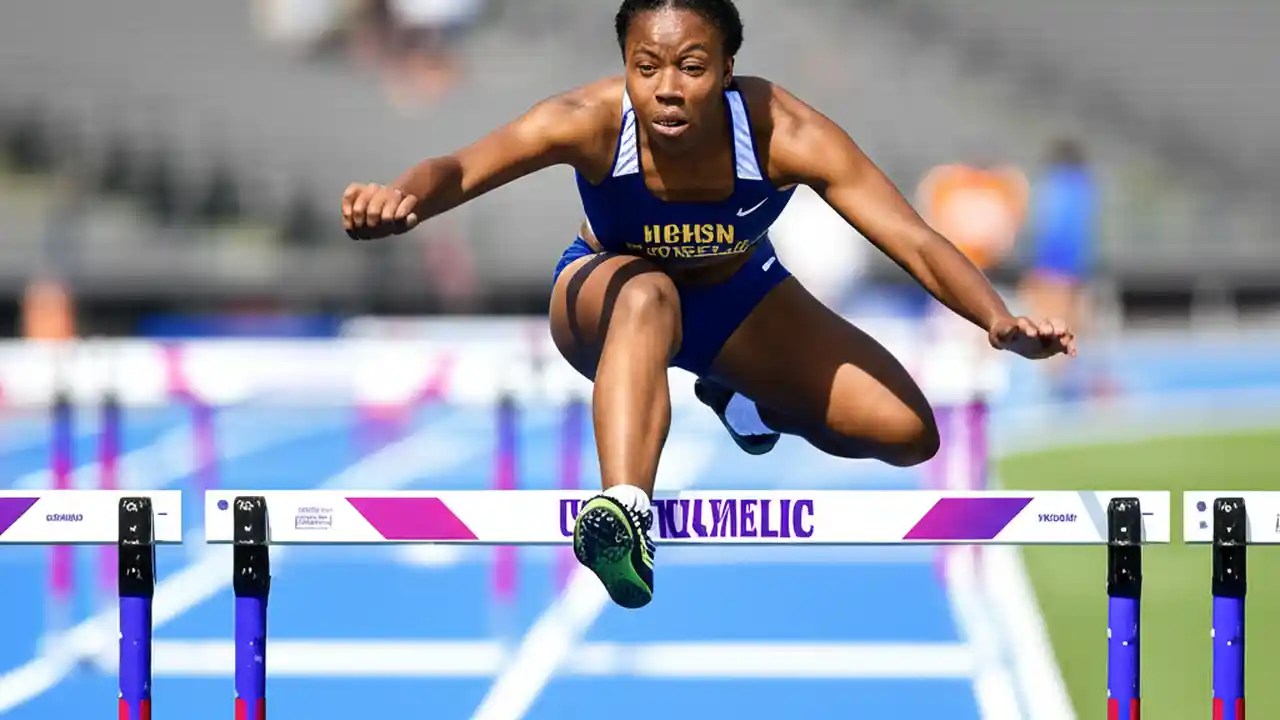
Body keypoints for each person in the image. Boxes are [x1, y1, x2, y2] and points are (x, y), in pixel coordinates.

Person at [340, 0, 1077, 610]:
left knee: (908, 431)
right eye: (646, 67)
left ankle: (747, 402)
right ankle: (624, 512)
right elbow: (461, 167)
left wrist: (997, 320)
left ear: (726, 70)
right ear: (624, 67)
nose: (666, 88)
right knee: (649, 293)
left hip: (737, 300)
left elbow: (911, 239)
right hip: (606, 298)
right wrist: (404, 198)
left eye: (691, 68)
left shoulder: (784, 132)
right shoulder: (587, 121)